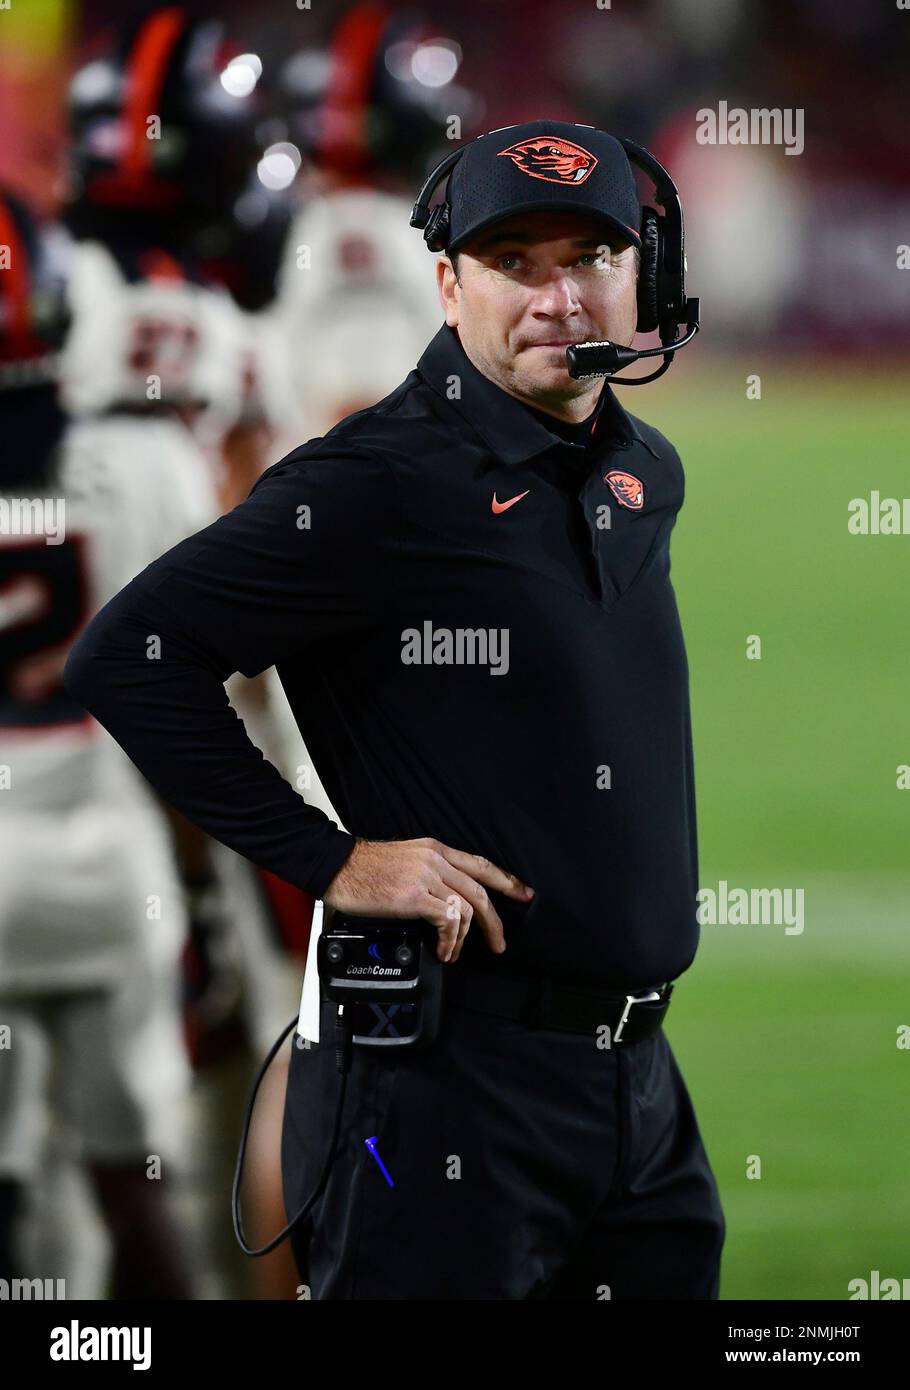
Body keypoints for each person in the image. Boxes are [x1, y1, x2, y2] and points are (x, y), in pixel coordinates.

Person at [63, 120, 726, 1300]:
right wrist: (334, 862)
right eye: (512, 261)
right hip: (442, 1090)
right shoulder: (370, 483)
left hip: (638, 1086)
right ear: (445, 281)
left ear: (643, 275)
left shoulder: (642, 471)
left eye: (588, 257)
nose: (557, 296)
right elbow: (131, 657)